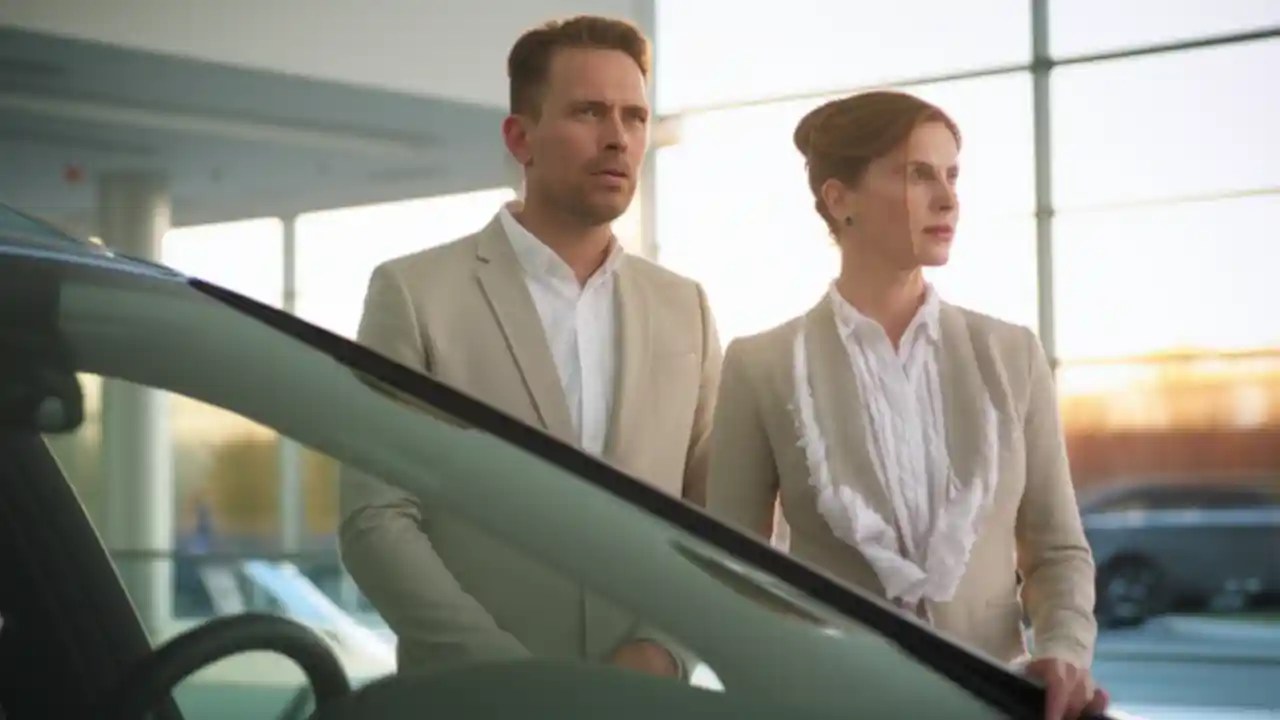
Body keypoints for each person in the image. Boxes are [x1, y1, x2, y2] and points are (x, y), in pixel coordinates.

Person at [338, 15, 721, 680]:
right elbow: (376, 520)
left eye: (634, 117)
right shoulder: (413, 292)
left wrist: (664, 650)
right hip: (474, 697)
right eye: (589, 112)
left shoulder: (684, 307)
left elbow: (719, 515)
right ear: (521, 137)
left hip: (645, 700)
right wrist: (508, 677)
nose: (618, 139)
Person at [705, 90, 1108, 720]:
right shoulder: (761, 365)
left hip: (994, 704)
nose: (947, 199)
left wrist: (1062, 651)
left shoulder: (1011, 355)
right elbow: (729, 575)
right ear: (840, 200)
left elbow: (1057, 550)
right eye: (919, 174)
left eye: (951, 176)